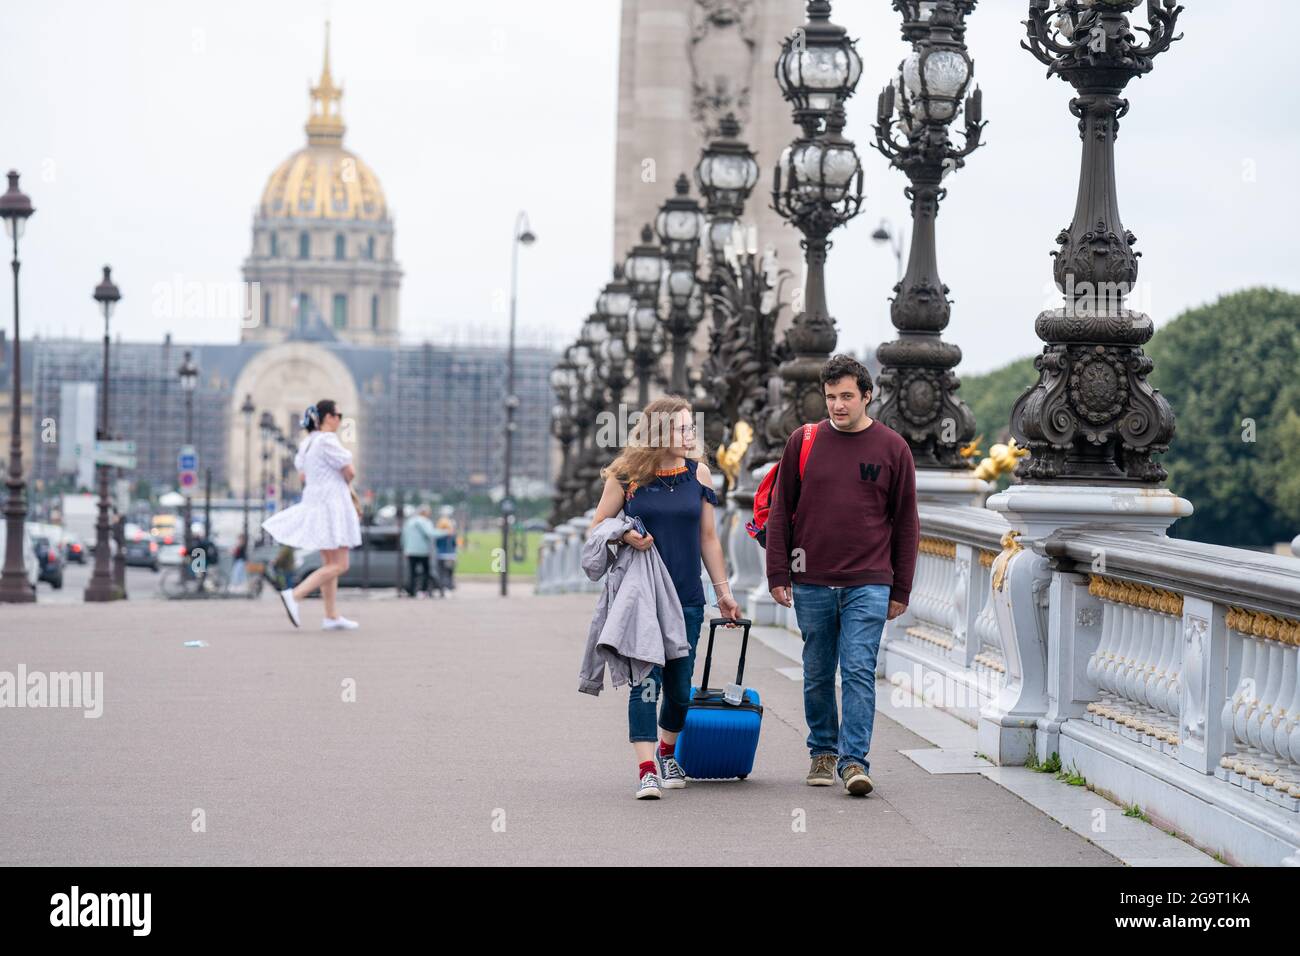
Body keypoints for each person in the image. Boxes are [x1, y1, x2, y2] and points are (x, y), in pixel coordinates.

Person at [765, 354, 920, 797]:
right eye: (831, 396)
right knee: (816, 673)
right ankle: (823, 751)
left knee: (857, 671)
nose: (838, 405)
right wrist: (778, 571)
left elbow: (907, 523)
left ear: (867, 396)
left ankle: (855, 761)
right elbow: (781, 512)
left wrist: (901, 586)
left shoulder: (893, 449)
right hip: (811, 579)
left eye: (847, 396)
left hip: (869, 580)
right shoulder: (803, 441)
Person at [589, 395, 743, 800]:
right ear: (659, 431)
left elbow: (708, 538)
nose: (690, 434)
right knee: (646, 682)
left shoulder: (700, 475)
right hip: (642, 598)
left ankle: (667, 751)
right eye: (682, 428)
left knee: (678, 687)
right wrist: (624, 534)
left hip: (688, 597)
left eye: (692, 427)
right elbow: (597, 526)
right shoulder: (625, 477)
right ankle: (646, 770)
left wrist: (723, 593)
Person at [262, 399, 363, 631]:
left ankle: (331, 615)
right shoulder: (328, 440)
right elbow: (350, 472)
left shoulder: (307, 443)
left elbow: (303, 477)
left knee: (329, 563)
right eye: (338, 414)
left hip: (316, 504)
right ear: (328, 417)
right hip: (332, 506)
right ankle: (295, 595)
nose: (340, 419)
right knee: (340, 564)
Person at [401, 506, 441, 598]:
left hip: (410, 551)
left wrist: (405, 549)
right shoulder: (425, 522)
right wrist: (446, 532)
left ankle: (411, 591)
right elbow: (430, 533)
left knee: (412, 572)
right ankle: (424, 590)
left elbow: (403, 537)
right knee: (426, 571)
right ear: (425, 513)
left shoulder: (409, 522)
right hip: (423, 551)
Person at [434, 508, 457, 590]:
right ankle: (449, 586)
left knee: (441, 572)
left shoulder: (439, 534)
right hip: (451, 555)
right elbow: (455, 544)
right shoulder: (452, 534)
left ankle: (442, 587)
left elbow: (436, 544)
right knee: (449, 573)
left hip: (441, 555)